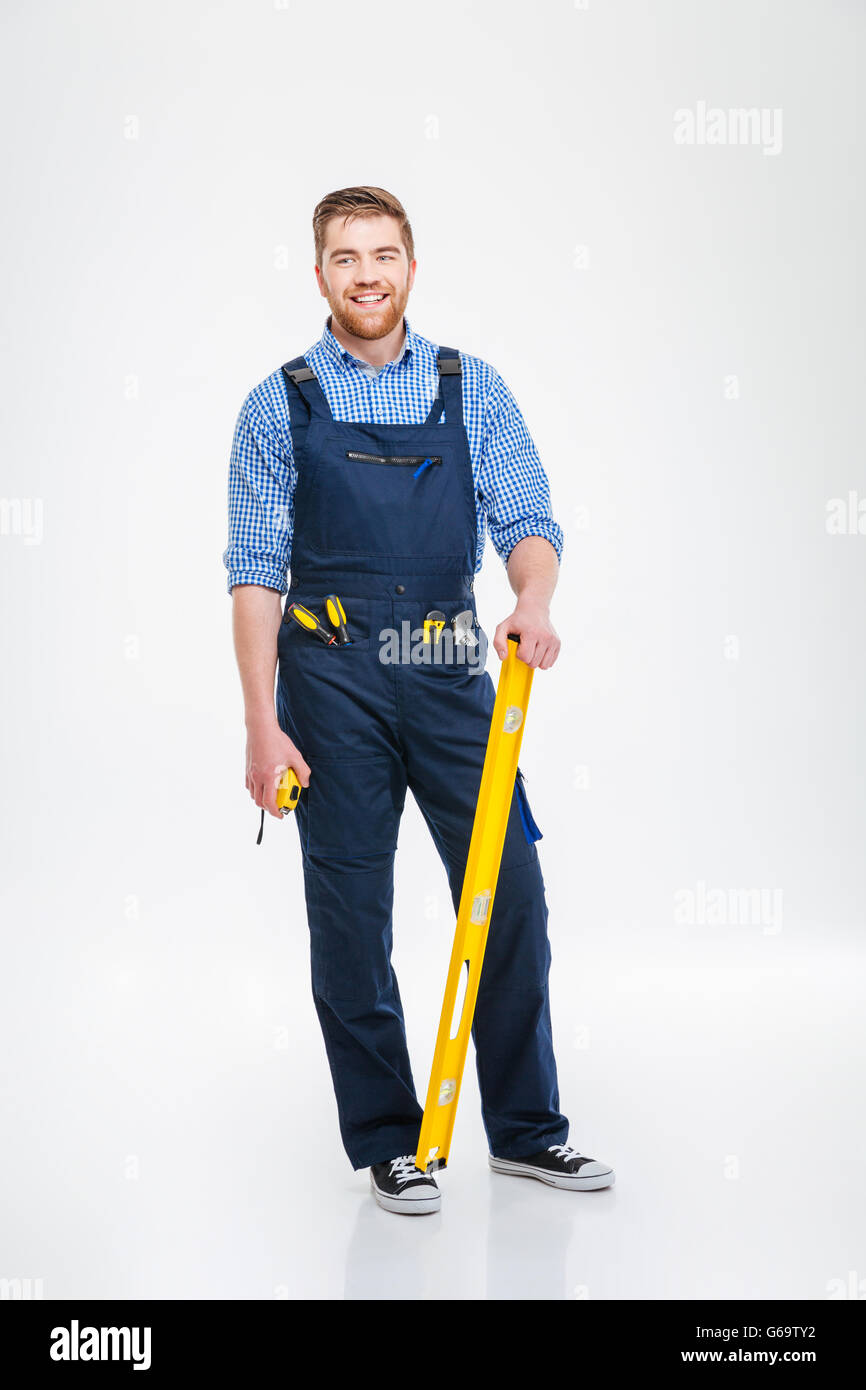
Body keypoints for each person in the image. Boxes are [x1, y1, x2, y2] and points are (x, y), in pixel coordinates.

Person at [223, 186, 614, 1215]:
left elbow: (528, 518)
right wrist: (261, 722)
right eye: (345, 257)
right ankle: (392, 1139)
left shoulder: (468, 386)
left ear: (409, 266)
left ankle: (527, 1131)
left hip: (448, 665)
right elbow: (256, 572)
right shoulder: (280, 402)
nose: (366, 274)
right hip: (329, 675)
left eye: (383, 254)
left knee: (509, 890)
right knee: (350, 914)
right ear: (318, 275)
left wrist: (530, 598)